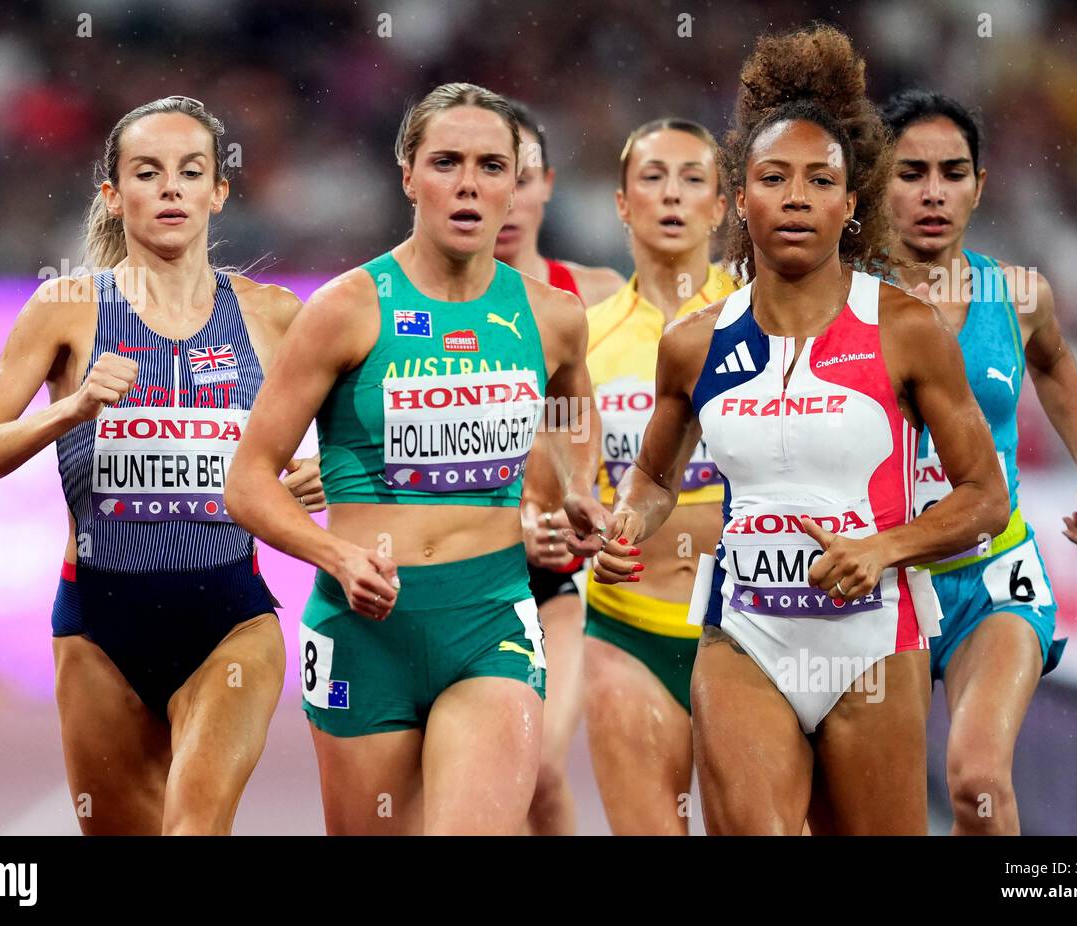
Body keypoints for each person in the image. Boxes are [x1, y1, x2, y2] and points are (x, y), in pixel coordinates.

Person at [569, 24, 1009, 835]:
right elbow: (657, 480)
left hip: (875, 640)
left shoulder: (905, 331)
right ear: (741, 200)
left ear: (851, 203)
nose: (798, 196)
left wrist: (882, 548)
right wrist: (627, 519)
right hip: (746, 633)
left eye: (820, 180)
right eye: (775, 178)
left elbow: (986, 499)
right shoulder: (694, 343)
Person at [225, 83, 608, 836]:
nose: (469, 183)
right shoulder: (345, 308)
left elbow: (569, 416)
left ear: (515, 181)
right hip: (364, 633)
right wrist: (334, 554)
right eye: (446, 162)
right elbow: (247, 481)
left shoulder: (552, 317)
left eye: (491, 165)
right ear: (407, 175)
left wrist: (576, 492)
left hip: (490, 621)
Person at [0, 96, 322, 835]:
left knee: (194, 827)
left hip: (230, 621)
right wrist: (71, 409)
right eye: (148, 173)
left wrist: (321, 475)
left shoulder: (274, 316)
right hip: (97, 629)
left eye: (191, 172)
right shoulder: (67, 309)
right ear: (114, 197)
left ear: (219, 191)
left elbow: (362, 434)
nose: (171, 188)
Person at [881, 89, 1077, 835]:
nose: (933, 193)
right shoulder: (839, 303)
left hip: (993, 573)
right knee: (882, 812)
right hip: (882, 581)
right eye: (910, 172)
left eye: (953, 173)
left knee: (978, 784)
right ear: (873, 183)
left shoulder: (1019, 296)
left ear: (980, 186)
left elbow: (1054, 364)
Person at [578, 117, 737, 835]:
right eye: (652, 177)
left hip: (754, 631)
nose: (672, 195)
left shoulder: (772, 319)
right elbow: (554, 486)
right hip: (628, 630)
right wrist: (559, 518)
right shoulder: (583, 338)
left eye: (692, 179)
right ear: (621, 203)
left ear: (722, 206)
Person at [495, 99, 624, 835]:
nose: (506, 199)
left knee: (539, 773)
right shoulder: (409, 304)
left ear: (548, 184)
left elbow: (662, 416)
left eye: (522, 177)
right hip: (455, 566)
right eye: (489, 175)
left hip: (561, 574)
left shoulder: (600, 297)